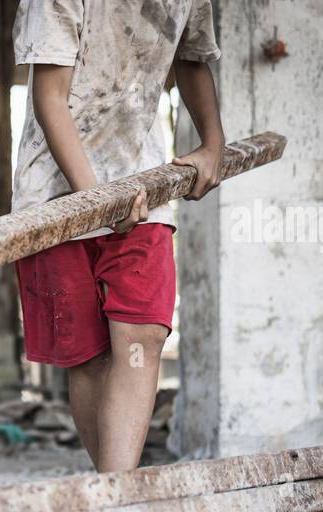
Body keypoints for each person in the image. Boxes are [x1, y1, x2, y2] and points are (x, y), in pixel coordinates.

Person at [12, 0, 225, 471]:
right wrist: (98, 203)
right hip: (54, 196)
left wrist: (213, 143)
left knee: (141, 335)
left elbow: (191, 58)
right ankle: (114, 491)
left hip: (143, 184)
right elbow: (51, 97)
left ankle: (118, 492)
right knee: (88, 354)